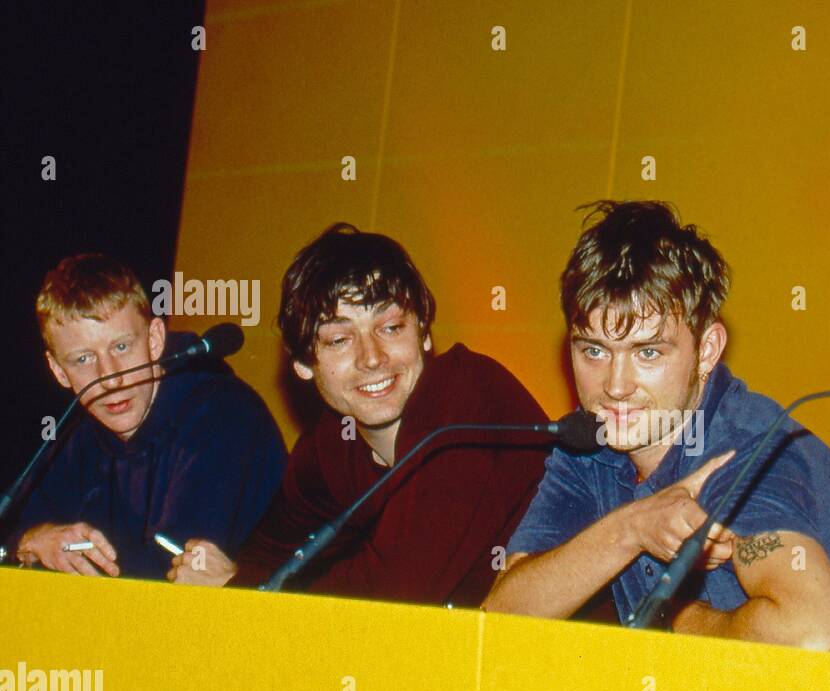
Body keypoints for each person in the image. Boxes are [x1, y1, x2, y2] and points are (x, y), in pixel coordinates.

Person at [484, 201, 830, 649]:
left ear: (707, 350)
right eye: (593, 350)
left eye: (648, 353)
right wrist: (630, 529)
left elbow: (810, 636)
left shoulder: (746, 447)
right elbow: (500, 617)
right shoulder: (590, 442)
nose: (614, 386)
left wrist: (684, 619)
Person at [170, 223, 550, 606]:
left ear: (424, 331)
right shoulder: (335, 441)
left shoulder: (467, 394)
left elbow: (395, 595)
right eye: (339, 339)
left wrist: (241, 589)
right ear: (303, 361)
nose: (372, 357)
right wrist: (243, 582)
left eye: (390, 327)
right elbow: (269, 552)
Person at [8, 253, 286, 580]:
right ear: (59, 371)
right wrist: (33, 540)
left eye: (122, 347)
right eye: (83, 358)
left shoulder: (223, 415)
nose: (110, 379)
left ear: (154, 340)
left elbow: (166, 578)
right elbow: (14, 529)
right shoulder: (76, 437)